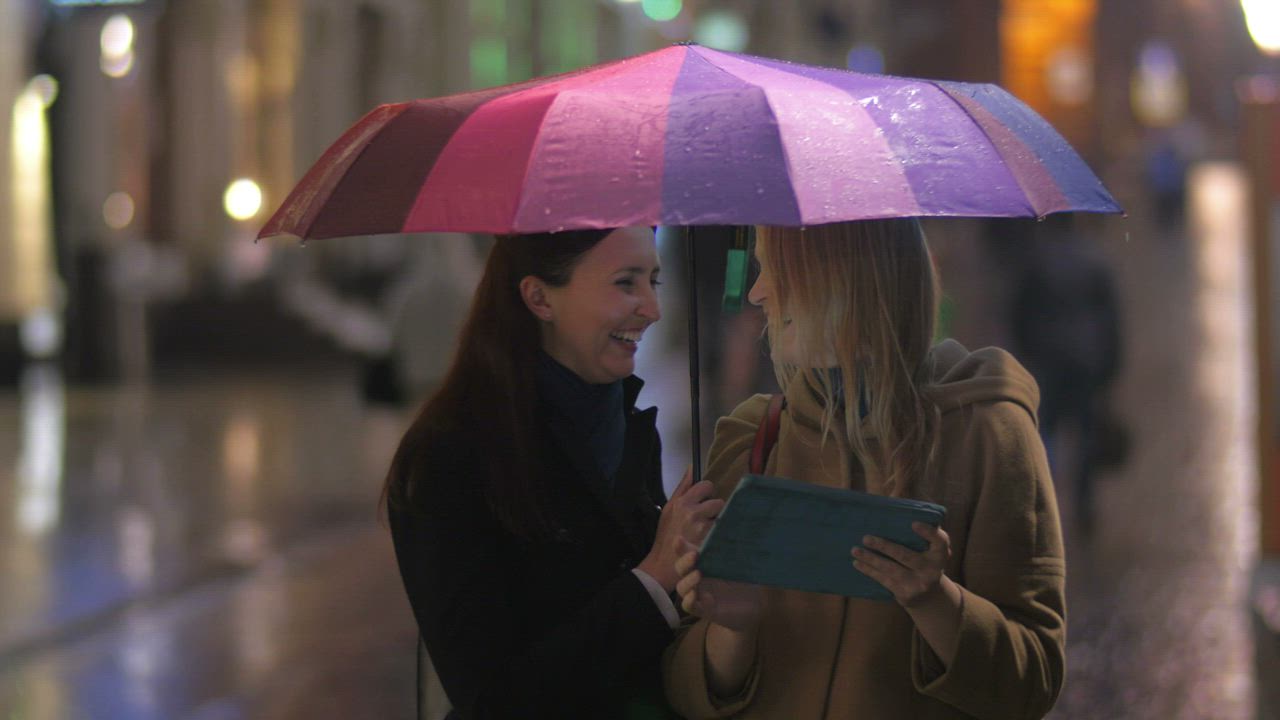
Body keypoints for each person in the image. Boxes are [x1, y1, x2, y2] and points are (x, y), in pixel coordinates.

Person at [662, 219, 1066, 720]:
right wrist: (732, 629)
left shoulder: (987, 432)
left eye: (779, 272)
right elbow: (685, 692)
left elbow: (1033, 683)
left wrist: (936, 602)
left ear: (848, 278)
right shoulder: (753, 438)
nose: (757, 293)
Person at [384, 226, 723, 719]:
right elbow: (490, 699)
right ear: (540, 298)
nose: (653, 309)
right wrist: (653, 578)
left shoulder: (628, 427)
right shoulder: (447, 456)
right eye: (625, 283)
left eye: (654, 281)